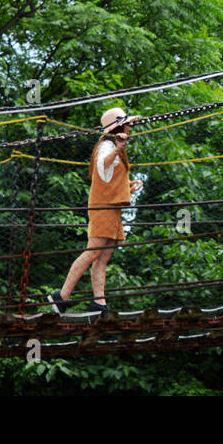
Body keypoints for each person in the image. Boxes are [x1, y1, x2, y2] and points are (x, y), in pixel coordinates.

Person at [48, 107, 143, 313]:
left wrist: (128, 186)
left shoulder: (114, 146)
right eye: (127, 123)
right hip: (103, 208)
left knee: (102, 256)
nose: (130, 127)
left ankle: (99, 302)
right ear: (119, 126)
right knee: (92, 252)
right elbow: (103, 165)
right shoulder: (106, 146)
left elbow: (108, 180)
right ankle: (61, 296)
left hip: (111, 207)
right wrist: (118, 148)